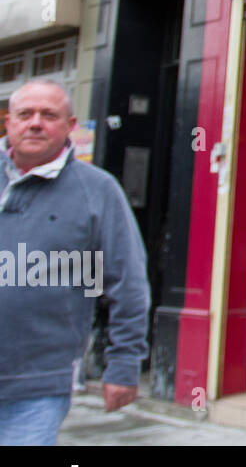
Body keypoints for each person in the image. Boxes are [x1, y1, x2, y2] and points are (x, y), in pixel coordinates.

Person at [0, 78, 149, 445]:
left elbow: (126, 282)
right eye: (25, 114)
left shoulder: (97, 191)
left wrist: (124, 364)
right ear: (8, 122)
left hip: (37, 385)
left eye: (48, 115)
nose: (35, 122)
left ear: (70, 126)